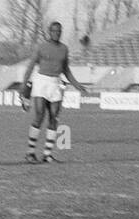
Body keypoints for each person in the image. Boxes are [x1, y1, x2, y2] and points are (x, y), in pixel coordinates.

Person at [21, 21, 90, 162]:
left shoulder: (64, 49)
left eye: (59, 31)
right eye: (54, 31)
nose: (56, 33)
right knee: (39, 115)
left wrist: (77, 85)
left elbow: (66, 70)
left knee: (54, 118)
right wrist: (23, 86)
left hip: (55, 83)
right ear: (49, 32)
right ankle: (30, 152)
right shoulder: (41, 47)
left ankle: (47, 154)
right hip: (41, 82)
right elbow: (30, 66)